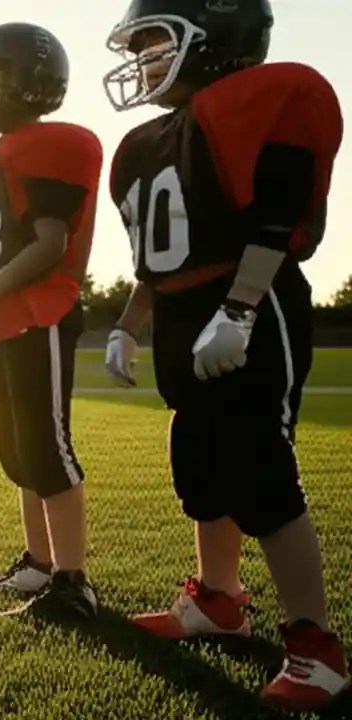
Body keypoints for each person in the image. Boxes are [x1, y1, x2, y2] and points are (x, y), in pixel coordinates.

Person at [102, 0, 347, 711]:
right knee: (202, 465)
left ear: (216, 38)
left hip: (248, 300)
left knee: (260, 469)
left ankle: (316, 646)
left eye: (156, 41)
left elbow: (276, 216)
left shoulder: (267, 100)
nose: (143, 59)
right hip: (183, 313)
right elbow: (156, 259)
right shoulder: (148, 143)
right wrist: (127, 325)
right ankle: (218, 599)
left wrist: (238, 310)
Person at [0, 23, 103, 617]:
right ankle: (38, 565)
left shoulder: (55, 143)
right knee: (17, 452)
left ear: (29, 82)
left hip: (40, 313)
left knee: (46, 449)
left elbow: (49, 245)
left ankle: (73, 580)